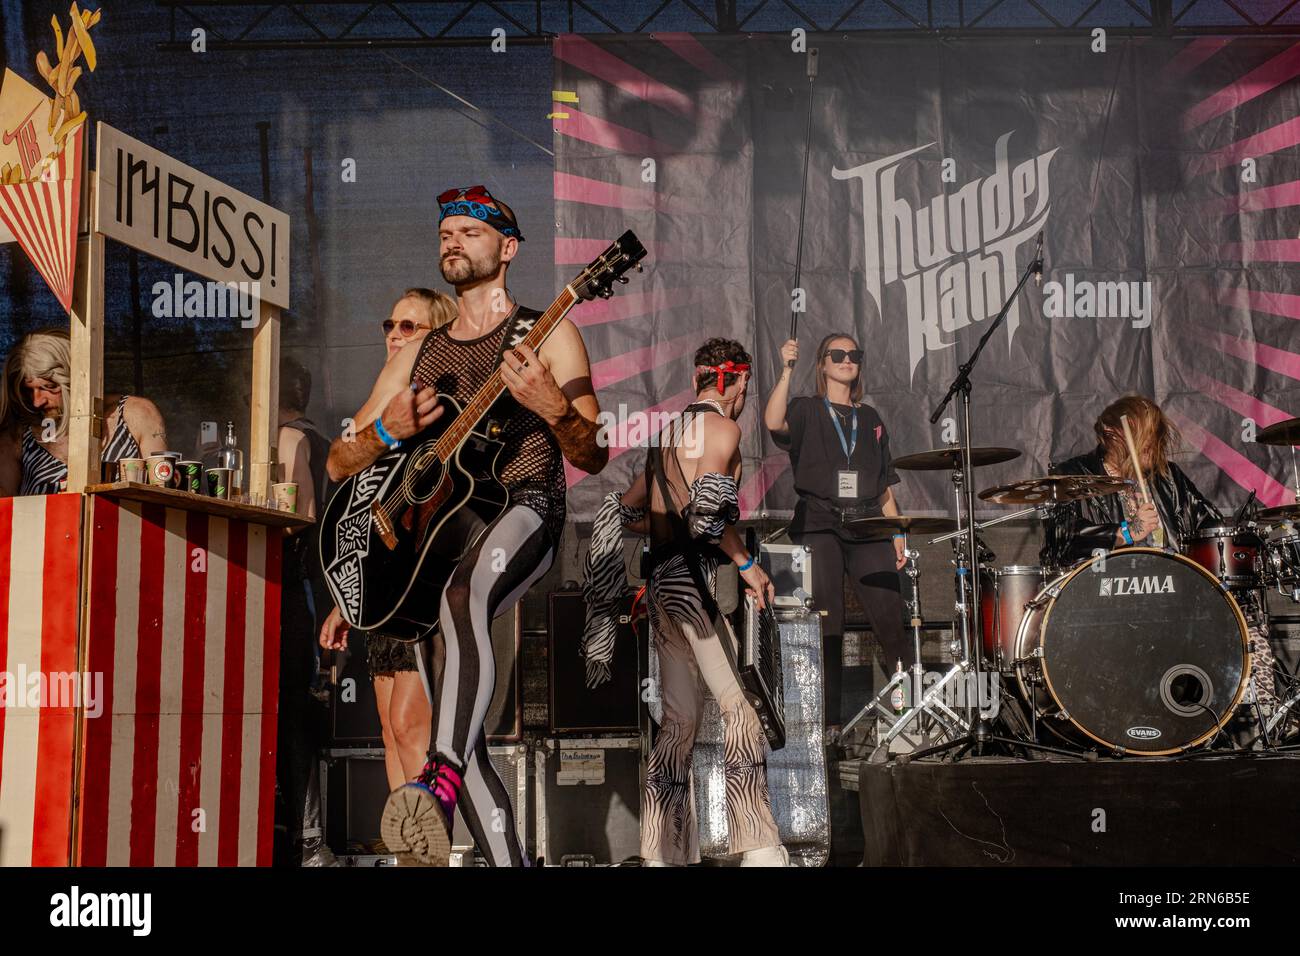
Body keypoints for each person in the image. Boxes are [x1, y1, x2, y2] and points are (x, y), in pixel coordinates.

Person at [321, 185, 607, 867]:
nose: (453, 240)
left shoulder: (551, 332)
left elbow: (592, 452)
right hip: (430, 544)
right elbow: (338, 460)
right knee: (467, 726)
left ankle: (437, 776)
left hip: (526, 505)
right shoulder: (416, 356)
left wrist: (551, 406)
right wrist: (384, 431)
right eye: (446, 231)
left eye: (470, 232)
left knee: (462, 598)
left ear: (508, 250)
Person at [613, 337, 787, 866]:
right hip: (689, 582)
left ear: (698, 379)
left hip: (661, 582)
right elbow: (708, 522)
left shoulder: (666, 435)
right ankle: (758, 847)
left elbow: (627, 512)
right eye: (745, 387)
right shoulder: (723, 429)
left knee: (680, 721)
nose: (742, 399)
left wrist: (672, 529)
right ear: (733, 381)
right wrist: (747, 563)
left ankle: (661, 851)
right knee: (742, 710)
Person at [1042, 394, 1276, 704]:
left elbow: (1207, 526)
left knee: (1242, 602)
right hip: (1107, 594)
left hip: (1174, 593)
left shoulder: (1169, 478)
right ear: (1112, 435)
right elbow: (1062, 539)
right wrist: (1126, 531)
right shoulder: (1073, 474)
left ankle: (1260, 711)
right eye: (1145, 437)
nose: (1154, 443)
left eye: (1156, 436)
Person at [763, 333, 907, 740]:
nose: (847, 360)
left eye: (853, 355)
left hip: (867, 523)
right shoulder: (807, 408)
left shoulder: (872, 418)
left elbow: (883, 486)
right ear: (823, 364)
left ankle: (908, 712)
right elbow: (773, 422)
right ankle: (828, 726)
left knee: (891, 618)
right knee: (827, 623)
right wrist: (787, 369)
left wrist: (895, 529)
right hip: (820, 523)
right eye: (837, 355)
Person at [0, 328, 168, 495]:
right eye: (28, 391)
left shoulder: (137, 413)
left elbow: (163, 491)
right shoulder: (18, 435)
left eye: (49, 387)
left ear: (76, 377)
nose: (37, 401)